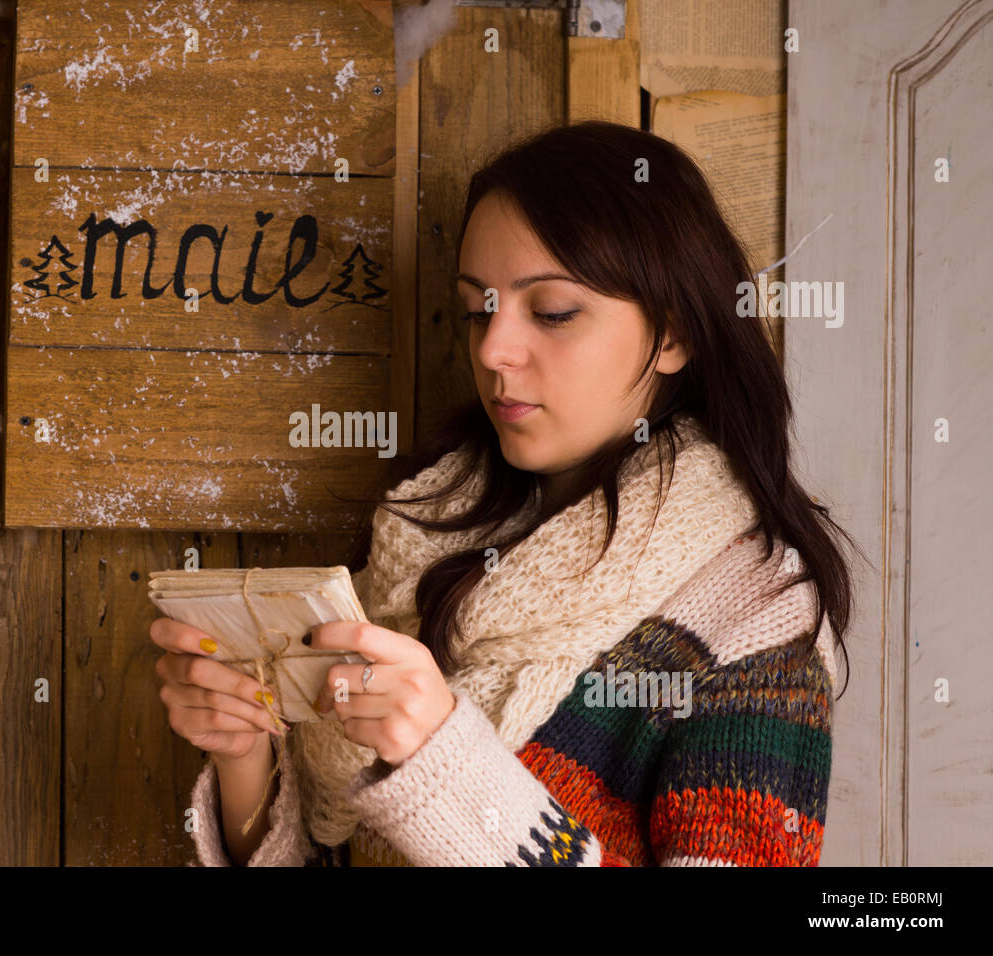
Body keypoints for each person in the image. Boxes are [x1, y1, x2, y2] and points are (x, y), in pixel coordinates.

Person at [151, 120, 860, 867]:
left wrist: (445, 767)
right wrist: (245, 758)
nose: (492, 348)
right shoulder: (424, 532)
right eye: (477, 309)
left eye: (551, 312)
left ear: (674, 334)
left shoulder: (756, 617)